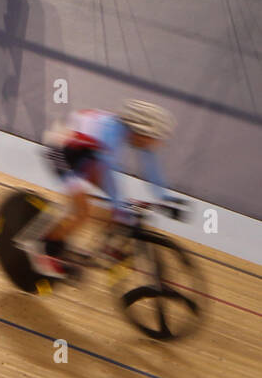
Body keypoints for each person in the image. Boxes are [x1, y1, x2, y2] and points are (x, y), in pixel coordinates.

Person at [29, 101, 182, 278]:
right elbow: (109, 170)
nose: (156, 144)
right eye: (155, 138)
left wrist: (165, 197)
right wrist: (119, 206)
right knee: (83, 210)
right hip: (62, 151)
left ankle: (106, 243)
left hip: (86, 152)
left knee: (119, 205)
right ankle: (45, 251)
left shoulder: (133, 134)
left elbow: (151, 168)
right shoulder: (110, 132)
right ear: (141, 131)